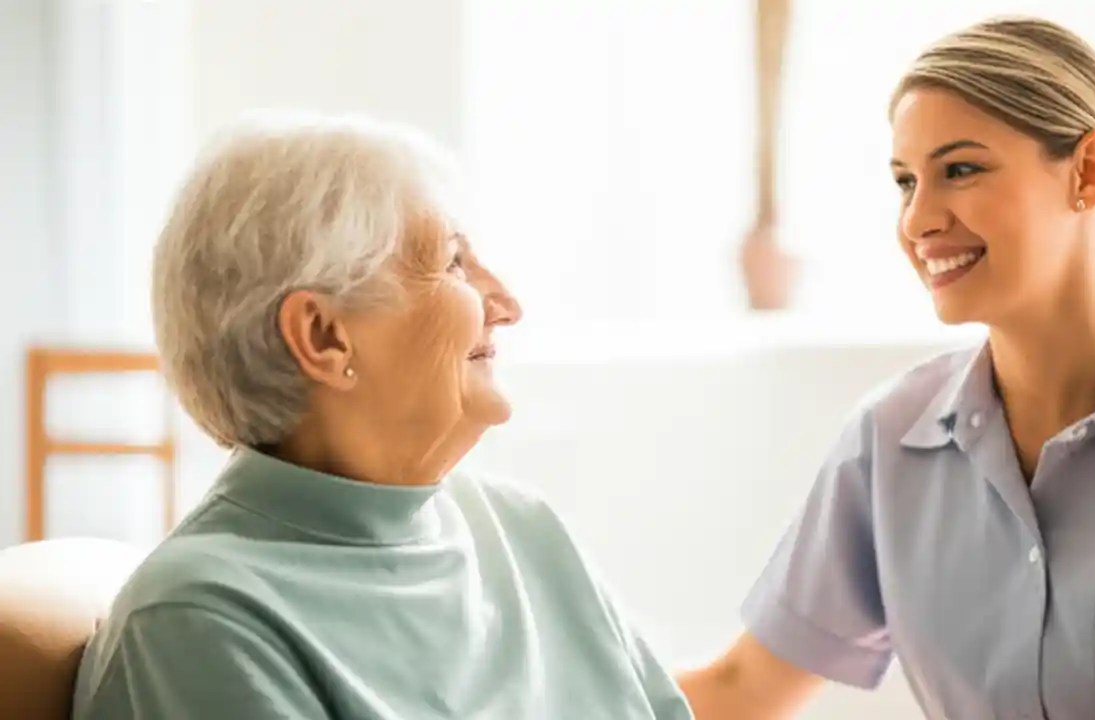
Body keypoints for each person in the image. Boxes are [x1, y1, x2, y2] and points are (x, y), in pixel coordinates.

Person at [680, 15, 1095, 720]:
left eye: (960, 170)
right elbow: (739, 692)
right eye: (907, 182)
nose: (918, 219)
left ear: (1089, 172)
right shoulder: (889, 443)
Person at [72, 114, 693, 720]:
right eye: (453, 264)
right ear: (323, 336)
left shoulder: (523, 529)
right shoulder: (200, 619)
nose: (505, 303)